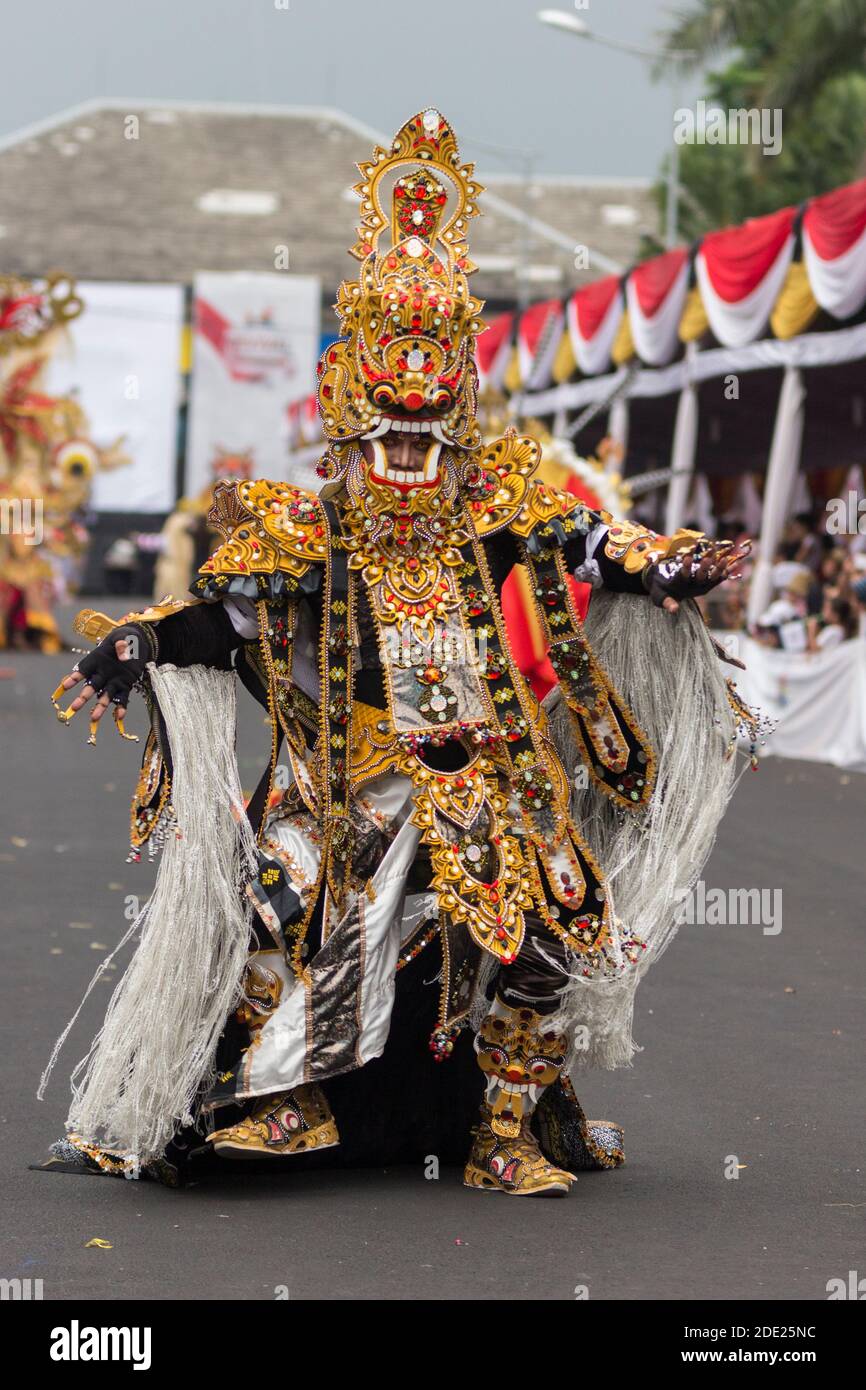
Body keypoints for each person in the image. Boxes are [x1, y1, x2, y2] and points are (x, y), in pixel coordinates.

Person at [41, 110, 751, 1196]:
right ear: (346, 422)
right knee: (278, 904)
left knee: (544, 939)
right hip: (343, 773)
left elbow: (597, 545)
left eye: (427, 436)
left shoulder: (503, 501)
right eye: (387, 437)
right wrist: (135, 643)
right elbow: (219, 621)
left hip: (486, 767)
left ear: (459, 422)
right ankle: (286, 1099)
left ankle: (499, 1134)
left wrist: (664, 569)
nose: (406, 458)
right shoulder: (303, 528)